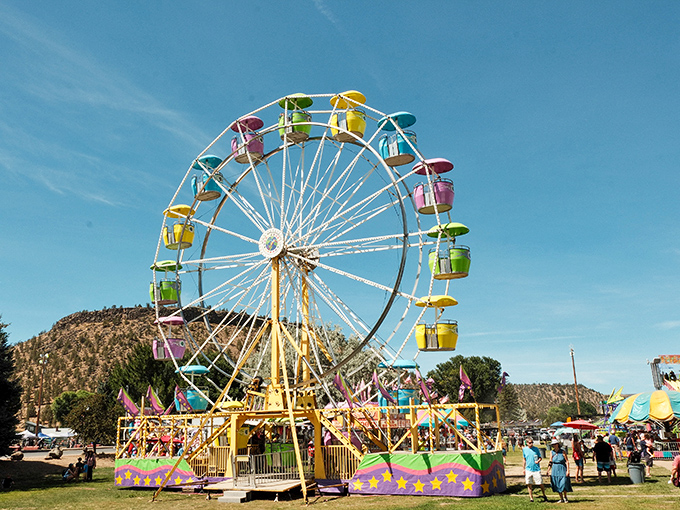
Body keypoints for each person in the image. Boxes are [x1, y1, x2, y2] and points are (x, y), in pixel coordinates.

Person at [523, 437, 548, 502]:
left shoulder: (536, 449)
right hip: (528, 469)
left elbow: (540, 457)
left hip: (536, 469)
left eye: (532, 442)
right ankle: (531, 498)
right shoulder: (524, 449)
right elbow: (524, 459)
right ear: (527, 443)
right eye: (530, 443)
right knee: (529, 483)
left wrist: (538, 461)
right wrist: (523, 468)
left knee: (540, 483)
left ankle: (544, 495)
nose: (531, 444)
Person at [547, 439, 572, 503]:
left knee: (563, 483)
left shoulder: (563, 452)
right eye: (553, 445)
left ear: (558, 444)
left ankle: (565, 496)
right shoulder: (551, 452)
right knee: (556, 483)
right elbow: (550, 462)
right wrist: (548, 470)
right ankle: (561, 498)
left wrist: (568, 470)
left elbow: (567, 461)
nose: (554, 446)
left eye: (555, 444)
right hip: (555, 468)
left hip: (562, 468)